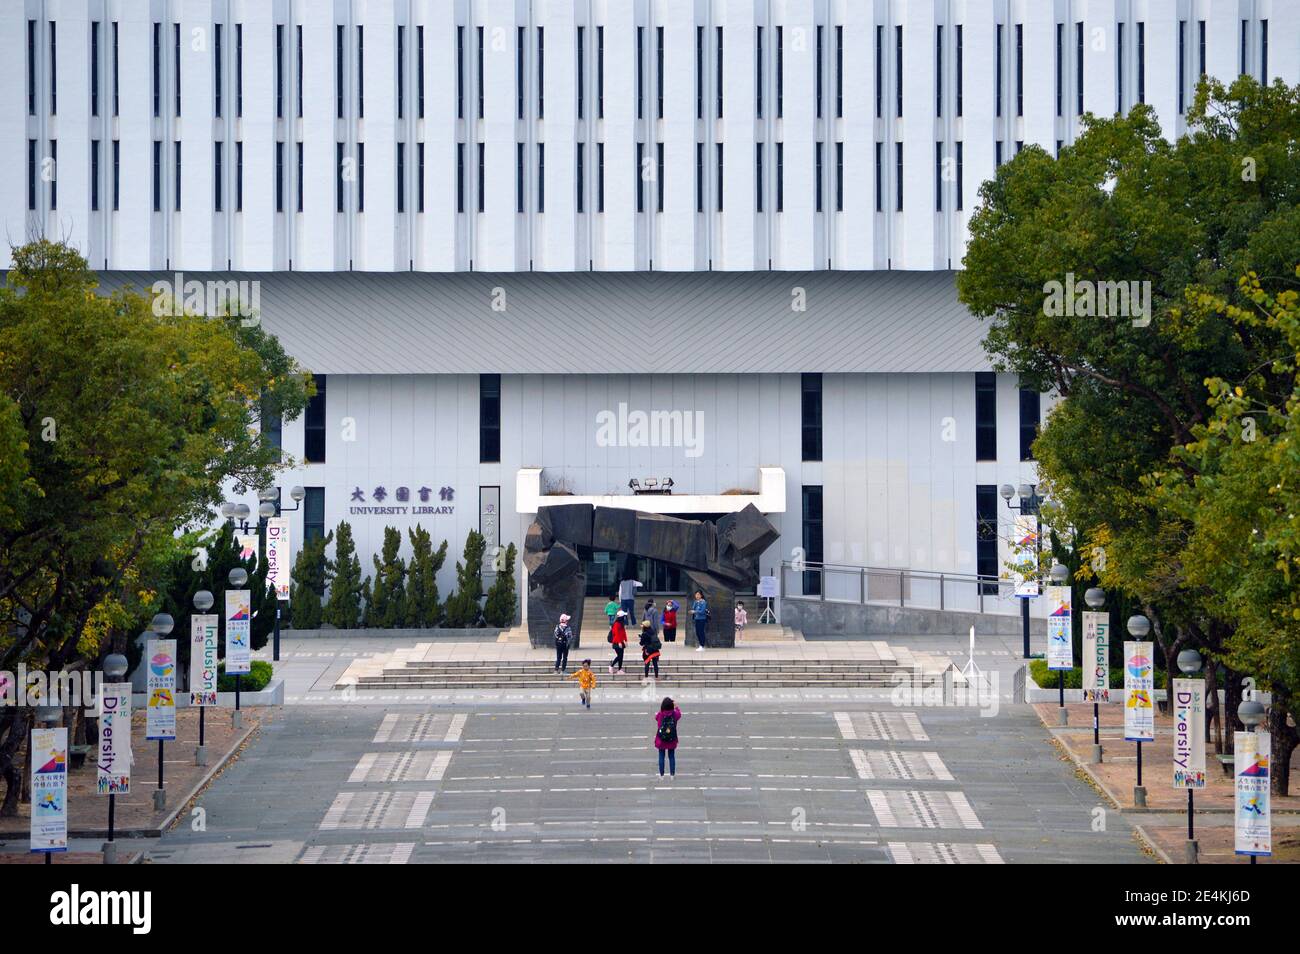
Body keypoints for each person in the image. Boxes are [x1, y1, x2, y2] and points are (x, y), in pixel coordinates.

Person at [654, 697, 681, 778]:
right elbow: (679, 714)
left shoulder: (660, 714)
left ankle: (661, 775)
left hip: (661, 739)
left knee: (661, 756)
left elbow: (656, 718)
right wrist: (676, 706)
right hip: (671, 739)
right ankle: (672, 775)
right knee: (671, 756)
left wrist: (661, 710)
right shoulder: (674, 714)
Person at [609, 610, 628, 674]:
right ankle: (611, 666)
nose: (625, 618)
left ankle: (619, 669)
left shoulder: (621, 624)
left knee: (621, 656)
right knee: (619, 656)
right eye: (624, 616)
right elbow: (616, 633)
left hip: (620, 642)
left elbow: (623, 633)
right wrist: (619, 642)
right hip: (616, 642)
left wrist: (625, 640)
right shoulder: (616, 624)